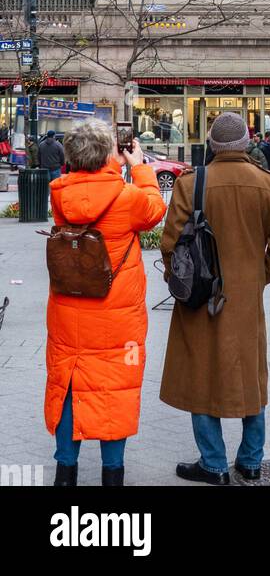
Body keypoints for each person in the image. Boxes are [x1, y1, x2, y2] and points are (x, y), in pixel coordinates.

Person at [159, 112, 270, 485]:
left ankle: (214, 463)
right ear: (247, 142)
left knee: (200, 373)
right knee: (252, 373)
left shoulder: (192, 183)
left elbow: (170, 241)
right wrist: (265, 273)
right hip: (247, 296)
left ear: (213, 145)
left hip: (201, 295)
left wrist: (179, 280)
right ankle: (251, 460)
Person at [44, 119, 165, 487]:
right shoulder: (126, 198)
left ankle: (66, 471)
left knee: (67, 384)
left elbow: (87, 193)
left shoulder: (59, 193)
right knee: (116, 388)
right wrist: (138, 165)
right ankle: (113, 473)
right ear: (106, 153)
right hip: (118, 315)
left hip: (69, 309)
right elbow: (156, 210)